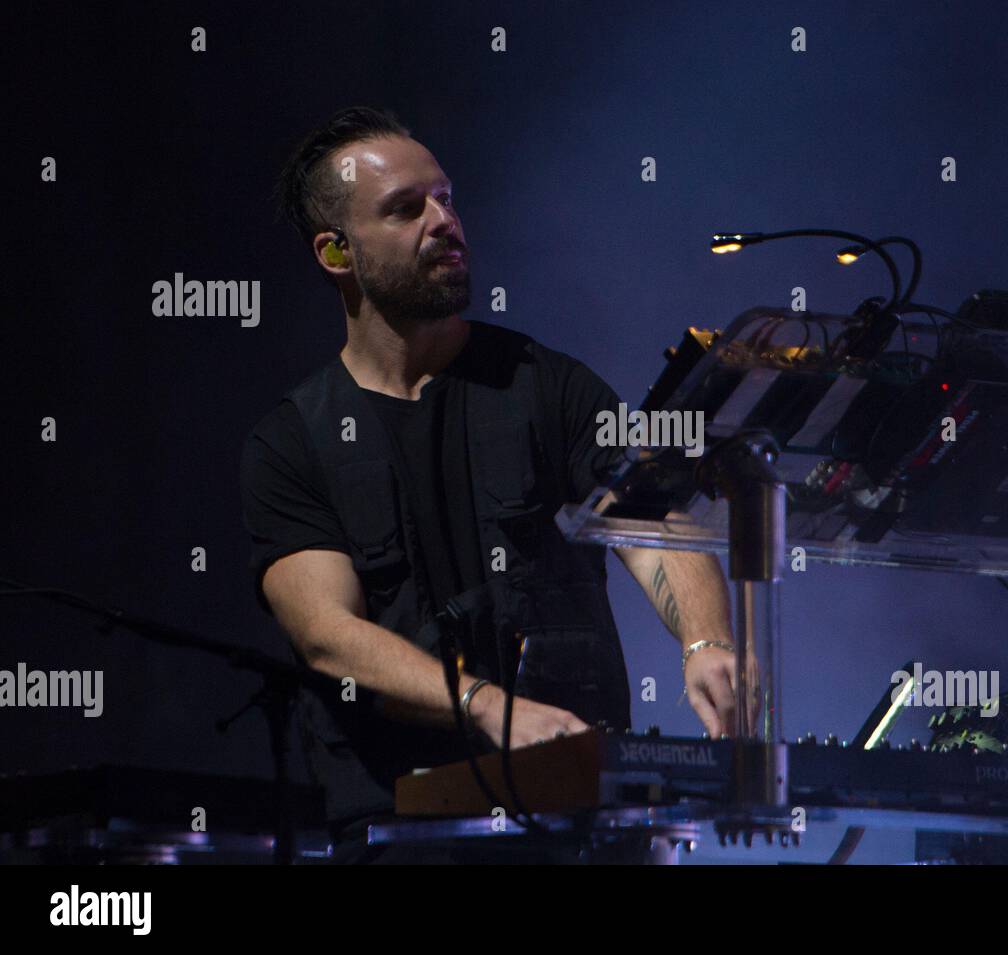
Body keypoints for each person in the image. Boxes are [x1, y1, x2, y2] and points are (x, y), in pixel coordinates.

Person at [239, 106, 742, 862]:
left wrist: (707, 639)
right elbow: (327, 635)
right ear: (336, 252)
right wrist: (490, 710)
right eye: (408, 208)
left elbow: (656, 518)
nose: (445, 220)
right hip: (401, 832)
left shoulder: (550, 385)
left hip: (582, 823)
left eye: (446, 197)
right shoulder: (290, 442)